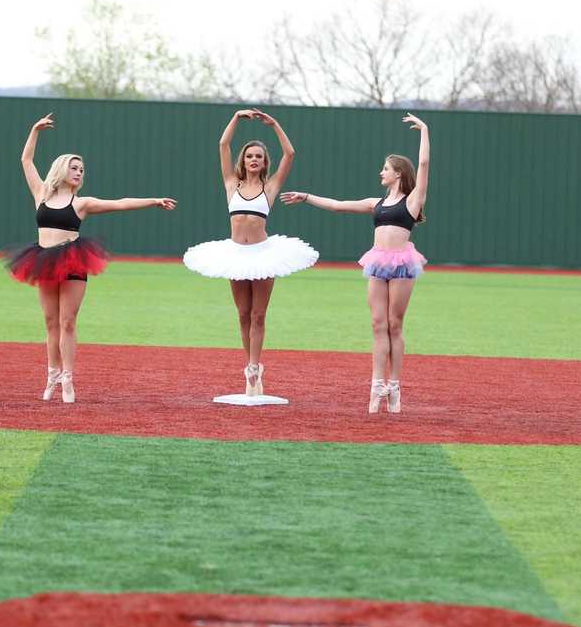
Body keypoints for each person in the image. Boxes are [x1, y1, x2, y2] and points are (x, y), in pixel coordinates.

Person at [7, 113, 177, 403]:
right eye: (74, 168)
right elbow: (26, 161)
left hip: (72, 260)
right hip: (44, 260)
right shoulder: (41, 195)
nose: (79, 173)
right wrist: (35, 130)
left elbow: (120, 203)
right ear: (62, 169)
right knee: (50, 323)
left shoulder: (82, 203)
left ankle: (69, 380)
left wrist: (153, 201)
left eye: (82, 169)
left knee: (68, 322)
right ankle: (52, 376)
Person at [281, 113, 430, 413]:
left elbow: (424, 165)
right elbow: (338, 206)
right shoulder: (375, 203)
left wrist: (425, 130)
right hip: (377, 262)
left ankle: (395, 386)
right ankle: (377, 384)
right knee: (378, 324)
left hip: (402, 263)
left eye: (385, 169)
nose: (381, 172)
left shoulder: (413, 201)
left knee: (394, 325)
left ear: (398, 173)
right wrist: (306, 196)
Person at [183, 109, 318, 397]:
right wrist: (235, 117)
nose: (254, 159)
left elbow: (290, 154)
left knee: (258, 315)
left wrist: (275, 124)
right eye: (249, 156)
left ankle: (256, 367)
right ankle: (248, 366)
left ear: (264, 161)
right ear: (243, 161)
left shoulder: (270, 188)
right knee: (243, 314)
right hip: (236, 255)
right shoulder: (232, 184)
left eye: (258, 156)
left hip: (263, 254)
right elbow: (222, 145)